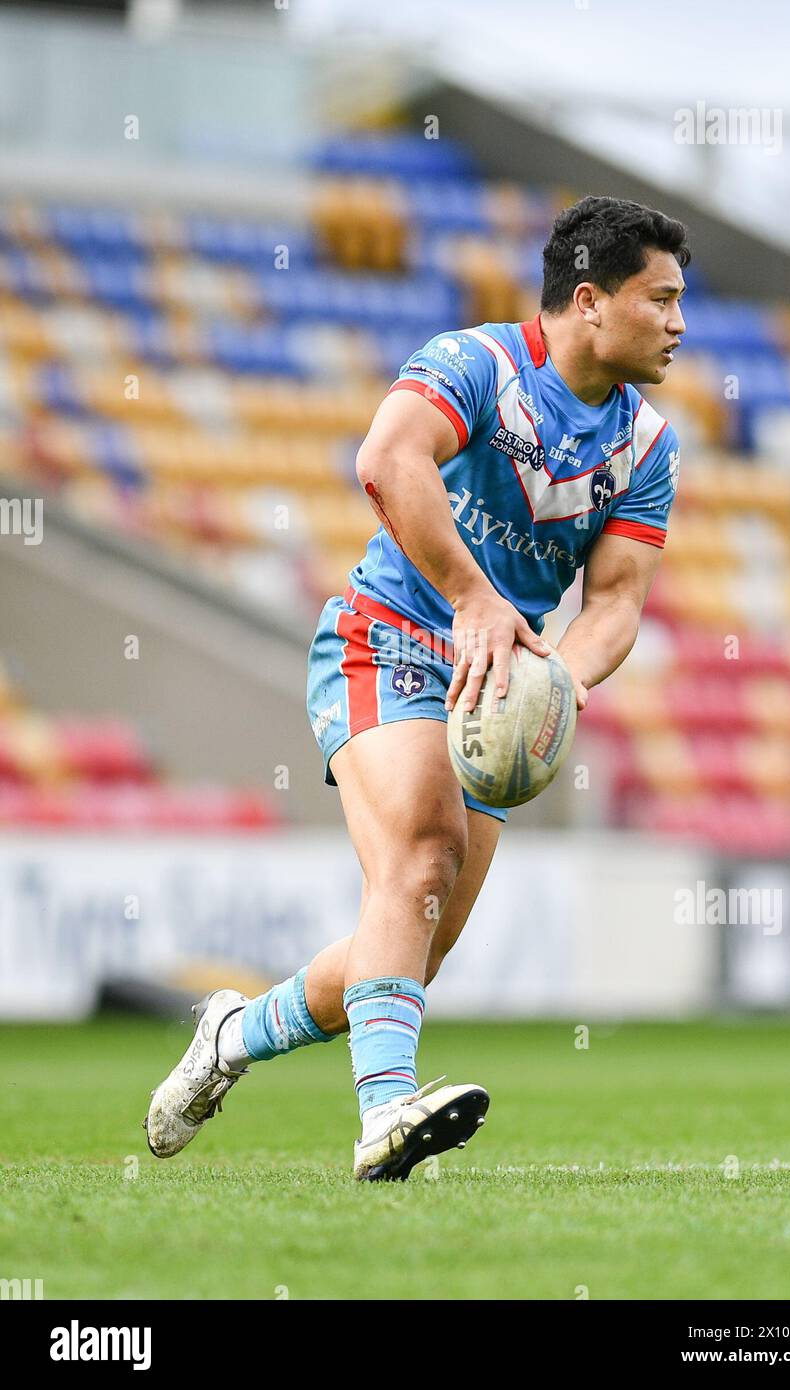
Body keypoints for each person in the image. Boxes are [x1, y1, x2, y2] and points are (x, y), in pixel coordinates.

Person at [144, 194, 689, 1181]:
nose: (679, 324)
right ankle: (385, 1114)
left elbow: (613, 602)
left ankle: (229, 1036)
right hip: (384, 639)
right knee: (423, 854)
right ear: (589, 301)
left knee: (409, 942)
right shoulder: (475, 363)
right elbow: (386, 460)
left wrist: (551, 680)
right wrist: (475, 599)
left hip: (493, 686)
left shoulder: (645, 447)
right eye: (659, 300)